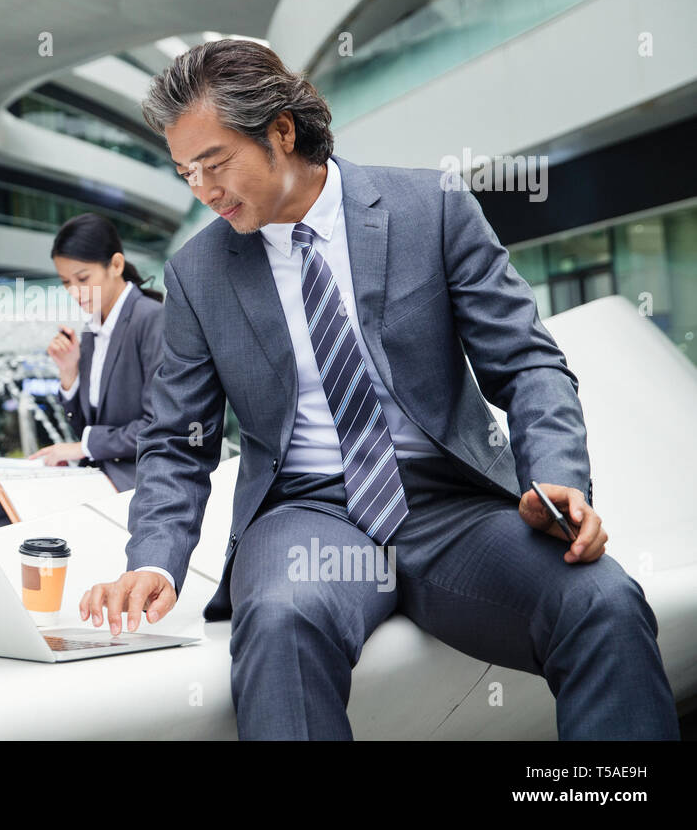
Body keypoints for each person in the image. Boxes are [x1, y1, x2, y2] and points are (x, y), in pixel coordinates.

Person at [78, 39, 680, 740]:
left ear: (281, 131)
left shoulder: (432, 208)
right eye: (186, 172)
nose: (203, 190)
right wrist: (153, 556)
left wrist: (555, 480)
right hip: (308, 514)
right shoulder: (196, 273)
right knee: (281, 619)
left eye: (215, 164)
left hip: (454, 511)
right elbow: (177, 442)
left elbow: (526, 364)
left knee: (603, 603)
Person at [0, 213, 164, 531]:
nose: (75, 292)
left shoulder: (152, 319)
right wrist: (69, 373)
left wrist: (83, 448)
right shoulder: (90, 333)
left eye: (83, 278)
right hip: (101, 472)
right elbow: (85, 428)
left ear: (115, 265)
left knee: (11, 509)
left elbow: (158, 425)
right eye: (66, 282)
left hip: (139, 476)